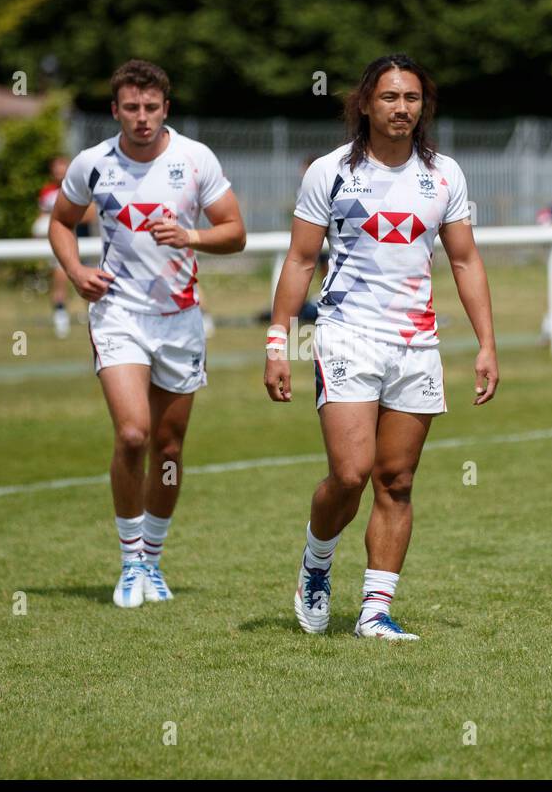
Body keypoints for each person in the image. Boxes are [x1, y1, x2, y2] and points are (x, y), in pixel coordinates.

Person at [265, 54, 498, 641]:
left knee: (396, 481)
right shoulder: (329, 172)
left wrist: (487, 345)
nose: (401, 109)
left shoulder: (445, 175)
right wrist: (277, 342)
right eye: (390, 98)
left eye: (412, 98)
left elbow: (465, 260)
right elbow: (299, 260)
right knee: (350, 473)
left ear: (425, 106)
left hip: (417, 346)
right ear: (366, 103)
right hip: (345, 335)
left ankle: (375, 610)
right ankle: (317, 563)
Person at [47, 59, 246, 608]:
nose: (141, 118)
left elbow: (236, 234)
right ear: (115, 111)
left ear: (166, 109)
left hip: (179, 319)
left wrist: (190, 237)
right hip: (118, 315)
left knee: (169, 444)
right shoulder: (93, 164)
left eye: (151, 108)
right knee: (133, 434)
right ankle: (130, 560)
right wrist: (76, 271)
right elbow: (61, 222)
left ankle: (154, 563)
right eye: (130, 108)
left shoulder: (194, 159)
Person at [35, 155, 97, 339]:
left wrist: (66, 217)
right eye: (56, 167)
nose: (59, 171)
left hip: (84, 242)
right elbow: (44, 217)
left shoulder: (82, 188)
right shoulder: (47, 192)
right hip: (63, 244)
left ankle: (93, 318)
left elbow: (91, 214)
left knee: (91, 281)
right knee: (60, 277)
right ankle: (60, 316)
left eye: (62, 166)